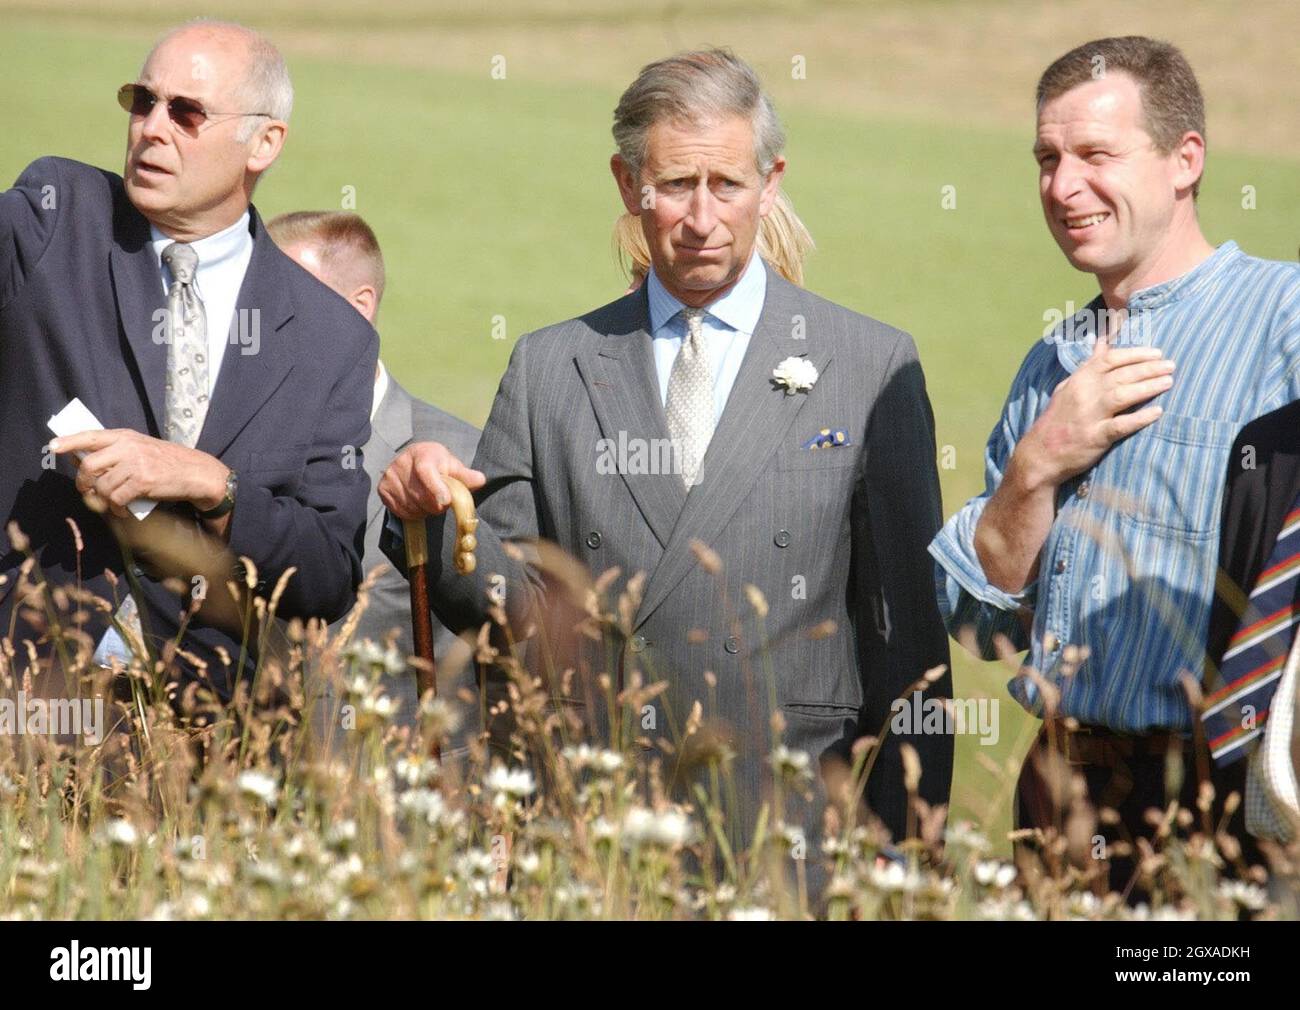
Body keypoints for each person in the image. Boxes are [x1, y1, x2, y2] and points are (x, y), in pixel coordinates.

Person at [378, 49, 953, 858]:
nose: (703, 218)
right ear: (627, 184)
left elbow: (911, 651)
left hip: (793, 835)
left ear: (773, 181)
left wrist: (907, 859)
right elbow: (508, 603)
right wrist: (436, 519)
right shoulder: (553, 366)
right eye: (676, 185)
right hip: (598, 829)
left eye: (728, 185)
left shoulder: (868, 365)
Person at [929, 36, 1300, 890]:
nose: (1063, 187)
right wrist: (1036, 467)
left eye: (1096, 154)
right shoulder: (1051, 365)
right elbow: (978, 619)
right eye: (1047, 159)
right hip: (1058, 796)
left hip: (1223, 802)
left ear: (1184, 160)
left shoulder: (1282, 321)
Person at [0, 19, 377, 707]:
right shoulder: (54, 219)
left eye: (187, 112)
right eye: (143, 101)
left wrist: (214, 486)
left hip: (210, 738)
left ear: (264, 142)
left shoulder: (331, 338)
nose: (151, 128)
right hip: (25, 699)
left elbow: (326, 576)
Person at [266, 210, 480, 755]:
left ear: (359, 308)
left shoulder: (466, 456)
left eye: (282, 302)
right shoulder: (230, 439)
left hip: (386, 805)